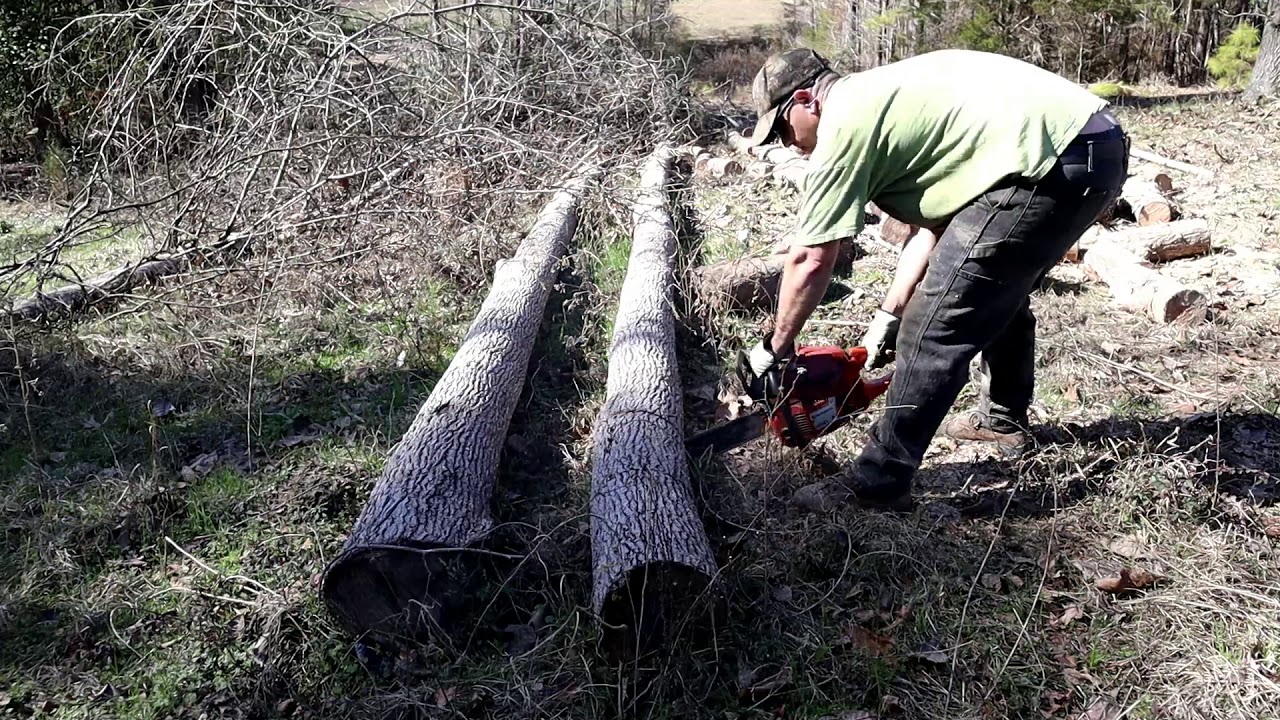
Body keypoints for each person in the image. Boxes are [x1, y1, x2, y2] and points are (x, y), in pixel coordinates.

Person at [736, 47, 1129, 511]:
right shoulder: (884, 99)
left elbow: (810, 258)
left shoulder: (843, 125)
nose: (787, 144)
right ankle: (1002, 421)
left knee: (933, 326)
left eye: (782, 129)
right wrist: (888, 317)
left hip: (1051, 161)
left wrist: (775, 348)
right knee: (992, 286)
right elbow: (934, 230)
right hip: (1095, 146)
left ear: (806, 101)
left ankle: (877, 483)